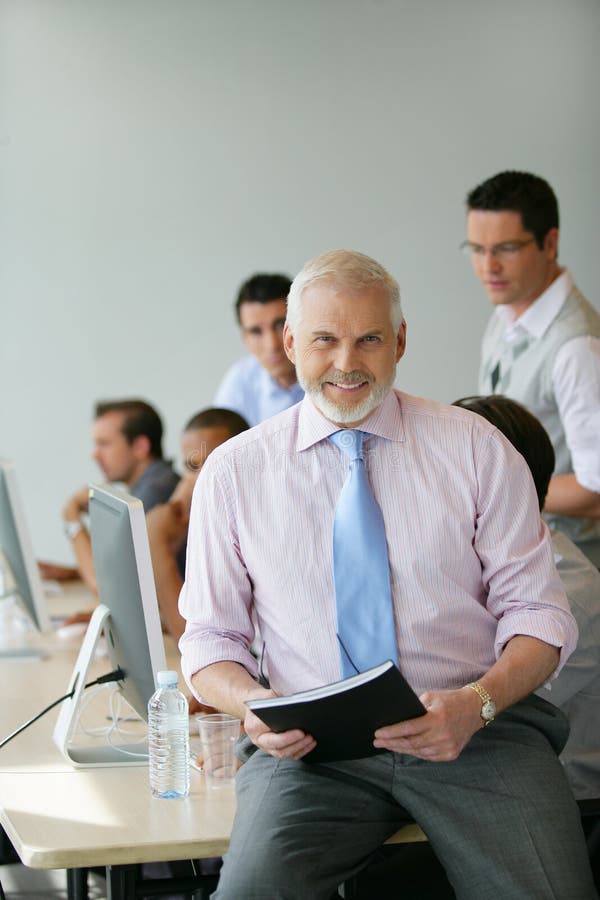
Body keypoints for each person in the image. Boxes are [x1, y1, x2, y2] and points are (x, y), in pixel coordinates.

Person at [179, 249, 596, 899]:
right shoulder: (234, 474)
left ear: (399, 340)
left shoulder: (480, 451)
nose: (347, 362)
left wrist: (474, 704)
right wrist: (253, 705)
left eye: (369, 339)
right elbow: (209, 640)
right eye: (324, 340)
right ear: (291, 343)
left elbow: (541, 616)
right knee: (250, 893)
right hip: (312, 752)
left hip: (478, 732)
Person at [453, 394, 600, 802]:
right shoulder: (482, 564)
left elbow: (484, 718)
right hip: (495, 776)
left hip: (567, 800)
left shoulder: (569, 595)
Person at [464, 170, 600, 566]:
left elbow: (596, 490)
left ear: (550, 243)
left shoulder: (576, 348)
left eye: (505, 248)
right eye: (476, 248)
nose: (488, 267)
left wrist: (493, 488)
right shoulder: (505, 313)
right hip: (523, 551)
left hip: (572, 571)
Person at [40, 398, 179, 594]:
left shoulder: (156, 492)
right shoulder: (157, 481)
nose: (94, 455)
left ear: (140, 447)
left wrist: (71, 517)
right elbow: (127, 571)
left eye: (104, 444)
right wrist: (74, 573)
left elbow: (105, 587)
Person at [146, 407, 249, 644]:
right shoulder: (197, 512)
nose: (200, 477)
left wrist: (157, 544)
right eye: (192, 466)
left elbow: (197, 643)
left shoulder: (246, 523)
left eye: (212, 462)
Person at [214, 272, 304, 425]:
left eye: (281, 325)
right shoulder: (239, 381)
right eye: (256, 332)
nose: (272, 345)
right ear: (245, 339)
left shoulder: (335, 371)